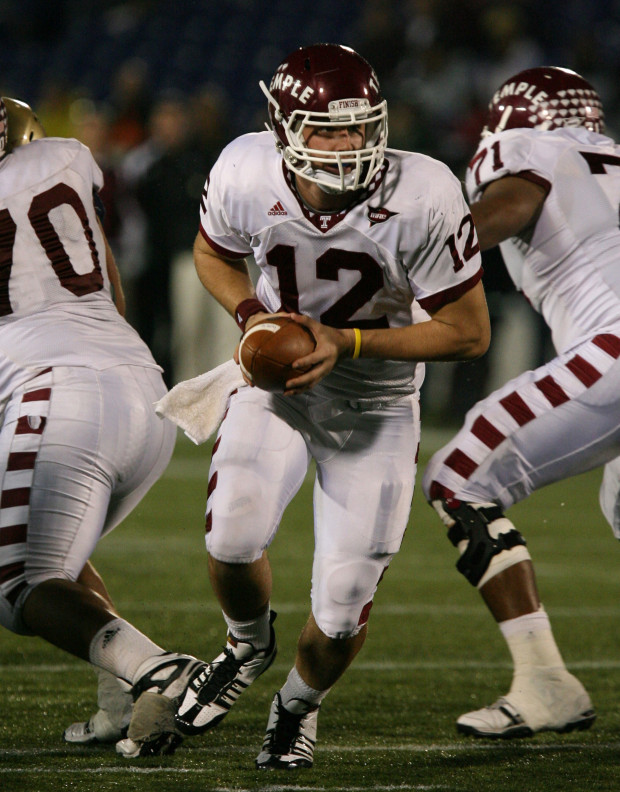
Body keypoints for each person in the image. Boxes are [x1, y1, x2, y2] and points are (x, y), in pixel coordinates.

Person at [134, 43, 490, 767]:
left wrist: (347, 343)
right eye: (326, 129)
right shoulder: (244, 170)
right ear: (283, 126)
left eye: (358, 127)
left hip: (377, 404)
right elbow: (213, 253)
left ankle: (297, 706)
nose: (347, 143)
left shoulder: (422, 192)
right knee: (231, 537)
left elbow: (468, 333)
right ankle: (245, 647)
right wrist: (250, 320)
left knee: (340, 606)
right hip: (277, 391)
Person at [0, 96, 206, 757]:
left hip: (56, 394)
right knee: (54, 557)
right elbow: (111, 291)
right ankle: (119, 702)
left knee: (21, 582)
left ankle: (162, 673)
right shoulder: (70, 159)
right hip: (139, 388)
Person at [422, 66, 620, 738]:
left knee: (460, 476)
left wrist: (425, 255)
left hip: (615, 344)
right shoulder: (611, 158)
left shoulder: (527, 148)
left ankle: (544, 682)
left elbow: (515, 199)